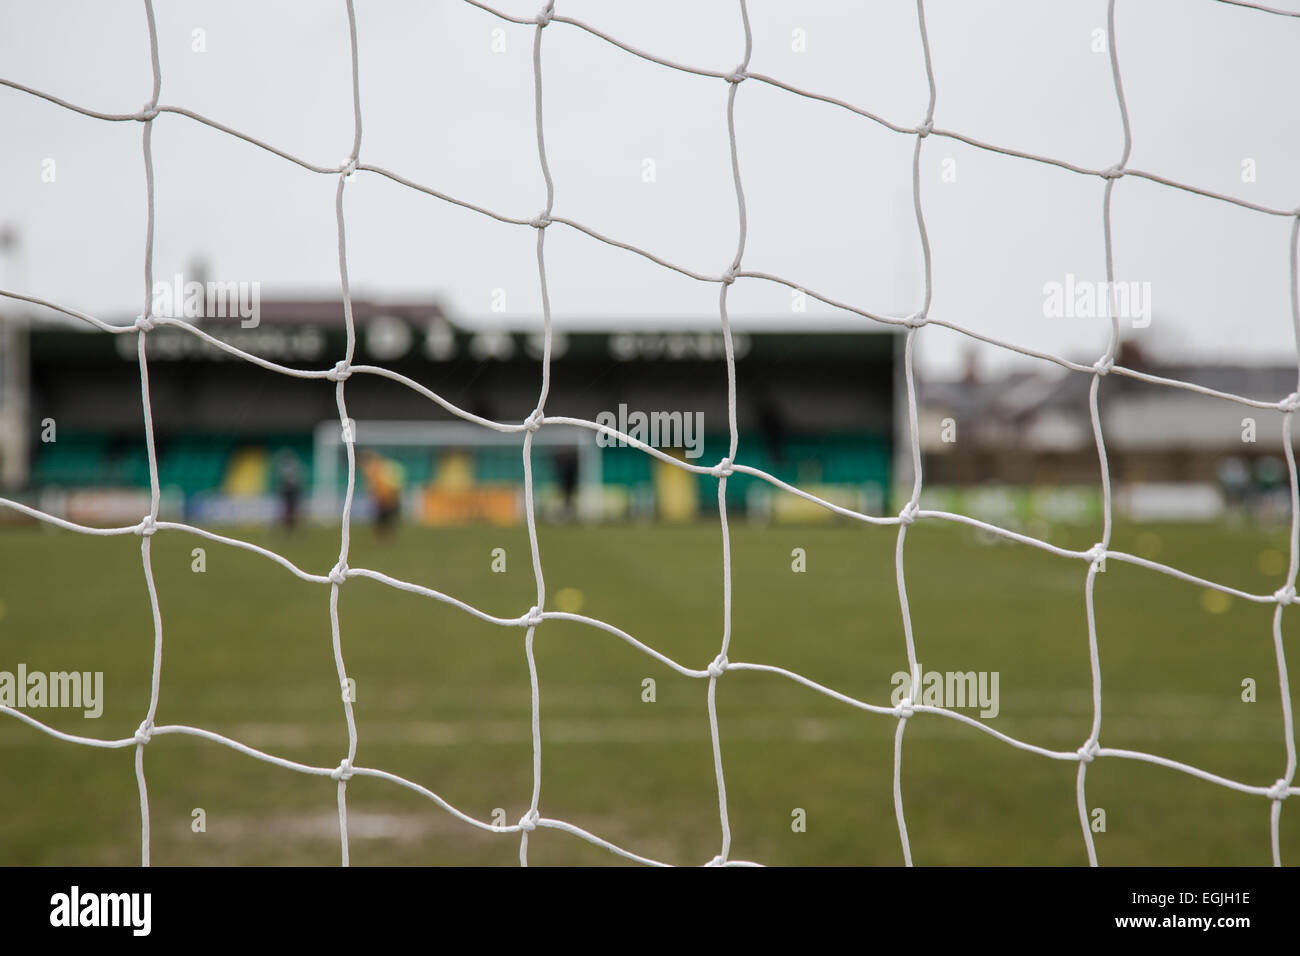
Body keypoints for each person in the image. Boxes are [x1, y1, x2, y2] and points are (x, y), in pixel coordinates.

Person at [359, 450, 405, 538]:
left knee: (389, 520)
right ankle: (383, 536)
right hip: (381, 500)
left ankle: (387, 535)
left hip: (389, 499)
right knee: (381, 521)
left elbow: (394, 485)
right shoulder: (375, 472)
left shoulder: (387, 469)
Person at [275, 449, 304, 532]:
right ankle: (289, 526)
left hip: (291, 492)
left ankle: (292, 526)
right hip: (289, 492)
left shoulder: (286, 467)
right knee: (289, 510)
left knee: (291, 510)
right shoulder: (294, 466)